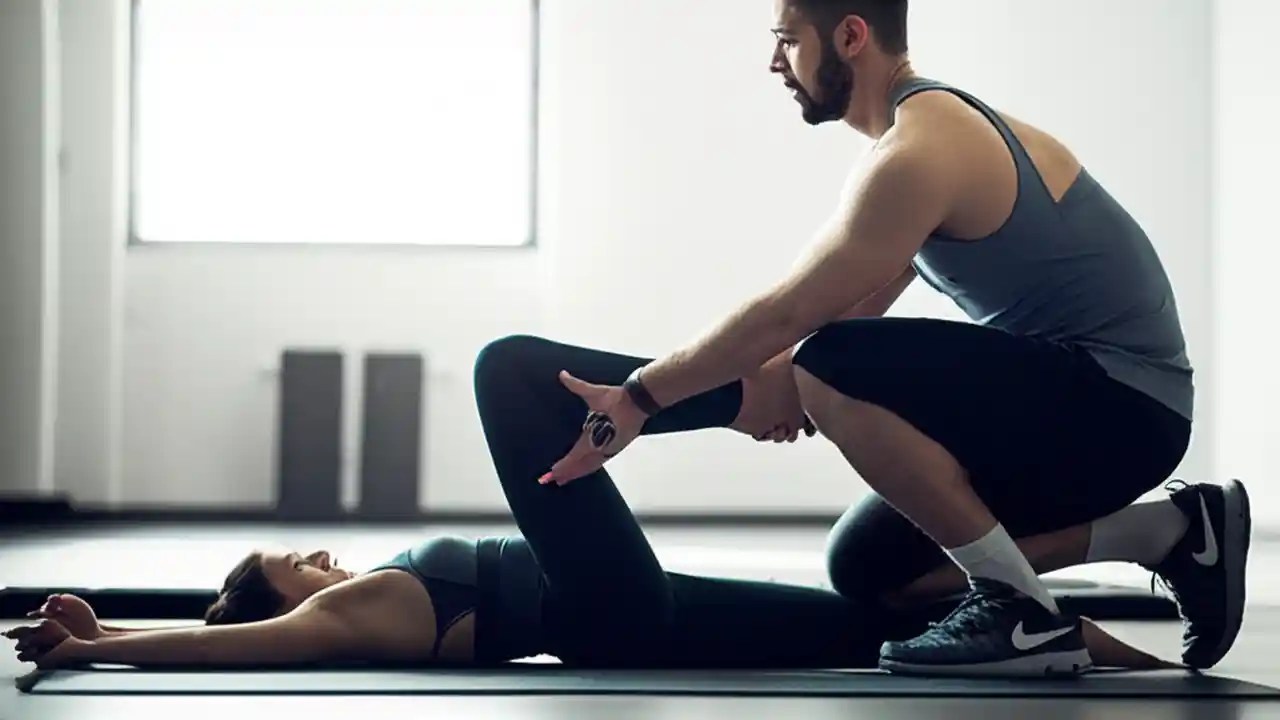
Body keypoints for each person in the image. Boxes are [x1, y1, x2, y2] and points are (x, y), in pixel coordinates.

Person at [535, 0, 1251, 677]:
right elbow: (841, 319)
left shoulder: (923, 151)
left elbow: (791, 317)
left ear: (850, 36)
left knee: (829, 364)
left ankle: (1018, 612)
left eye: (787, 39)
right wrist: (769, 394)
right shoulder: (926, 137)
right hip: (1099, 410)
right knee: (867, 567)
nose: (776, 62)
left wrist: (640, 396)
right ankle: (1171, 532)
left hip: (1121, 411)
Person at [7, 336, 1189, 676]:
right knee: (511, 372)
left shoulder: (359, 600)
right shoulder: (346, 618)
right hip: (603, 610)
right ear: (285, 601)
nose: (316, 560)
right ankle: (743, 394)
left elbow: (227, 629)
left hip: (634, 608)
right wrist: (102, 653)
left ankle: (1102, 635)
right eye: (294, 565)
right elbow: (237, 648)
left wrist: (105, 627)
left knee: (867, 615)